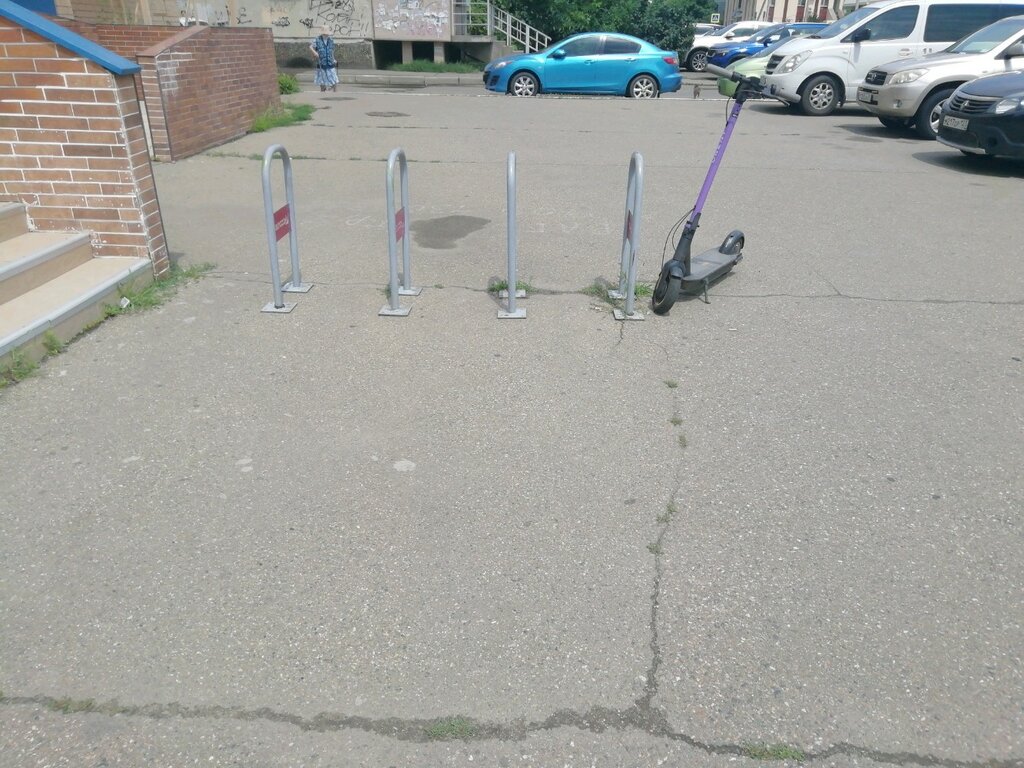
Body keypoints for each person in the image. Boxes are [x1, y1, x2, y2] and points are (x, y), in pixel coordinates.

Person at [310, 26, 339, 93]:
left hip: (330, 61)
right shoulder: (317, 39)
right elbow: (311, 47)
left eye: (327, 34)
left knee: (334, 78)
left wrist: (334, 59)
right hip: (321, 62)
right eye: (325, 34)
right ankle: (322, 92)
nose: (326, 35)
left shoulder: (331, 40)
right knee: (322, 80)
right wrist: (315, 52)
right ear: (322, 33)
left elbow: (331, 51)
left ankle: (335, 92)